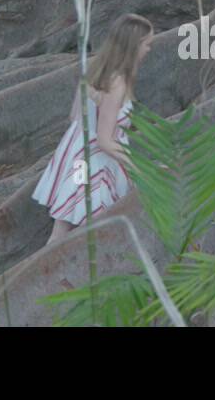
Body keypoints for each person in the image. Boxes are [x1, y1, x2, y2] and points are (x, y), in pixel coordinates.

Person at [31, 13, 154, 246]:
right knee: (90, 233)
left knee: (62, 230)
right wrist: (140, 167)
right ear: (134, 45)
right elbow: (105, 141)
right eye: (147, 44)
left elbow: (74, 117)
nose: (149, 50)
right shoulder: (117, 83)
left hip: (76, 154)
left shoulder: (96, 70)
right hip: (97, 163)